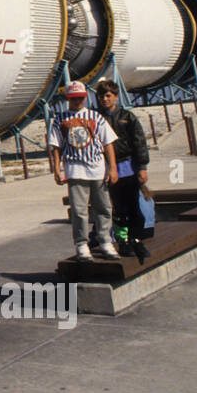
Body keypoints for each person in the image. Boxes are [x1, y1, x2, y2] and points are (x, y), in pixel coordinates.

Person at [48, 81, 119, 260]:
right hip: (75, 169)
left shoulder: (96, 117)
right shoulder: (60, 119)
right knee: (79, 211)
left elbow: (107, 143)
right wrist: (57, 168)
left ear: (85, 98)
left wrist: (112, 168)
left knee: (103, 207)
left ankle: (105, 240)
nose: (77, 101)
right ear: (68, 99)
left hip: (97, 169)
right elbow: (56, 145)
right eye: (73, 98)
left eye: (80, 98)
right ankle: (81, 244)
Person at [94, 81, 151, 259]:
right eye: (102, 96)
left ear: (116, 97)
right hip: (108, 170)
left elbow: (139, 143)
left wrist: (142, 167)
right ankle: (122, 241)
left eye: (108, 96)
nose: (104, 99)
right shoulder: (96, 119)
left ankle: (137, 239)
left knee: (134, 206)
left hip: (128, 168)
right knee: (118, 209)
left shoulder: (127, 117)